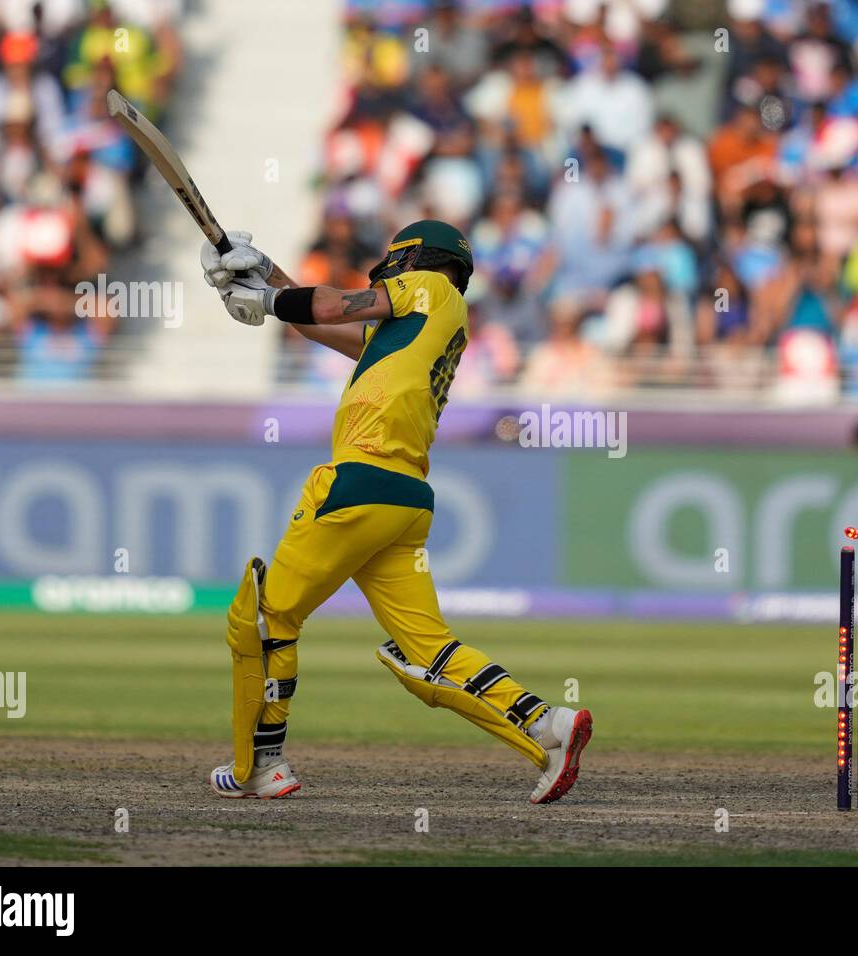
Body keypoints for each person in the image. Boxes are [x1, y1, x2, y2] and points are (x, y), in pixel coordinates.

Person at [199, 220, 593, 804]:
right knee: (429, 649)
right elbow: (322, 324)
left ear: (413, 259)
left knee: (262, 619)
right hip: (403, 502)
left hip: (358, 482)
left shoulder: (431, 287)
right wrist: (262, 272)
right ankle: (547, 727)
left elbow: (334, 305)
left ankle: (260, 764)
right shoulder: (416, 330)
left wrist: (270, 300)